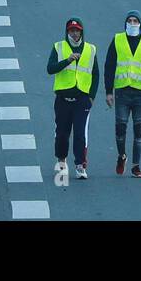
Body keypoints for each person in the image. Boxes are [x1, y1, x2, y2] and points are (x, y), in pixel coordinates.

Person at [104, 10, 141, 178]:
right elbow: (109, 66)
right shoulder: (118, 39)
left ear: (140, 24)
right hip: (122, 91)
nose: (133, 23)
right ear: (126, 23)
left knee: (139, 128)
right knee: (120, 127)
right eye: (130, 20)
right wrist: (108, 92)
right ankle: (122, 156)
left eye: (136, 21)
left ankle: (136, 165)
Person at [46, 17, 99, 180]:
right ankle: (61, 161)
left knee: (80, 134)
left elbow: (95, 74)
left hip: (82, 99)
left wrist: (91, 96)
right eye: (71, 30)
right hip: (63, 99)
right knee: (62, 133)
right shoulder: (59, 47)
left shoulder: (90, 49)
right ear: (67, 32)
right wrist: (67, 60)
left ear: (81, 32)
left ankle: (80, 165)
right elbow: (50, 69)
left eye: (77, 31)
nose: (74, 33)